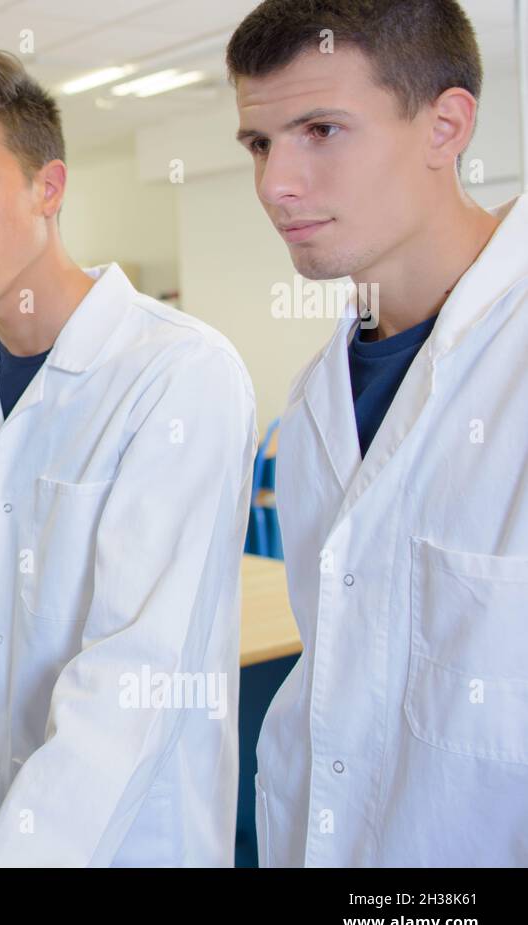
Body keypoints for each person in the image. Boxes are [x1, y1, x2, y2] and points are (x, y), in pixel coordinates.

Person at [0, 51, 256, 866]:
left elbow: (132, 677)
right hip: (16, 807)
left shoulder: (178, 372)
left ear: (49, 186)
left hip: (131, 834)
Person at [228, 0, 528, 865]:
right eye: (259, 142)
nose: (276, 182)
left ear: (446, 125)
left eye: (321, 129)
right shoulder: (320, 393)